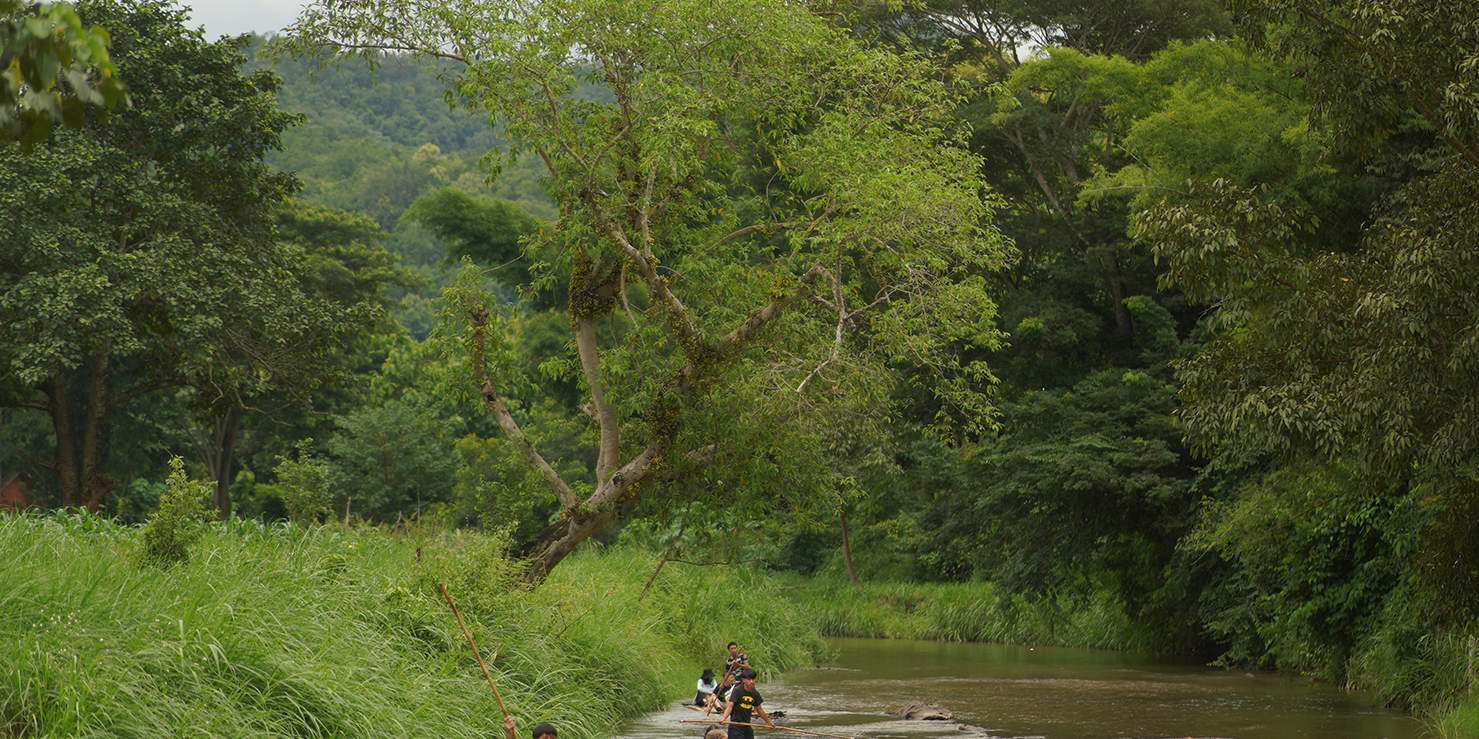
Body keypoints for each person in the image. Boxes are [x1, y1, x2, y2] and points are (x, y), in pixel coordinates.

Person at [717, 668, 774, 739]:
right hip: (735, 725)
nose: (752, 681)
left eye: (753, 679)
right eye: (749, 679)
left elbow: (760, 710)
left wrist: (769, 722)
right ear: (743, 680)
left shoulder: (755, 693)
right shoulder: (737, 691)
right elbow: (730, 706)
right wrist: (724, 718)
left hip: (747, 724)